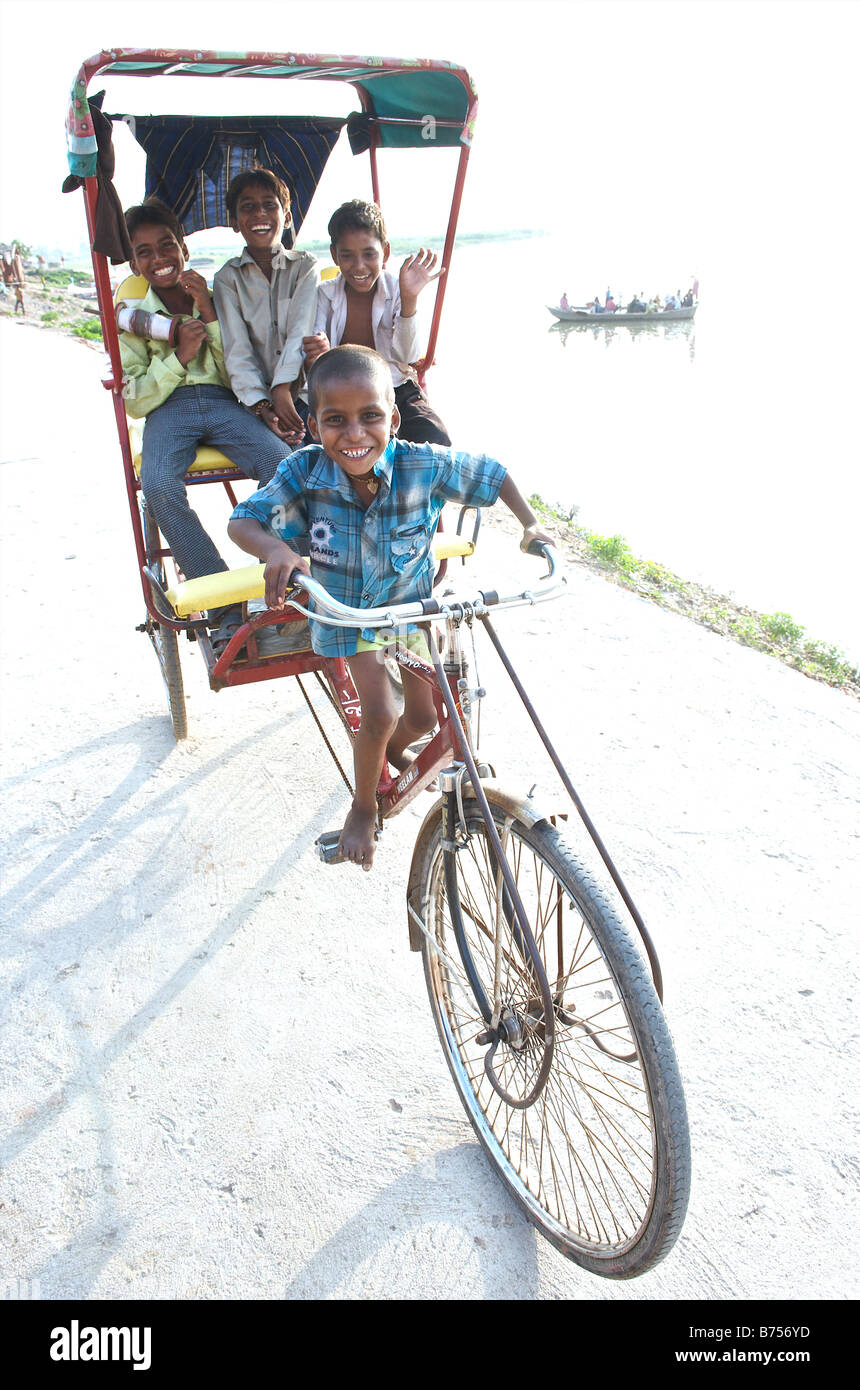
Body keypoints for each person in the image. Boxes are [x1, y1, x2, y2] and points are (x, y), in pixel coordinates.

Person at [227, 345, 554, 870]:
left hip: (413, 608)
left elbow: (493, 474)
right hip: (348, 615)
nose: (354, 434)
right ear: (314, 424)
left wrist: (530, 524)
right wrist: (278, 550)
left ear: (394, 418)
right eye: (335, 420)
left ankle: (393, 754)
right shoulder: (304, 472)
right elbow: (243, 519)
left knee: (431, 710)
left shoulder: (422, 464)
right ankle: (362, 806)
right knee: (378, 713)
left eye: (370, 417)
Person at [119, 198, 290, 651]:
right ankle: (222, 600)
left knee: (284, 463)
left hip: (222, 402)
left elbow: (236, 365)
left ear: (184, 249)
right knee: (157, 486)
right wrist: (178, 358)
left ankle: (282, 575)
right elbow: (135, 398)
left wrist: (208, 314)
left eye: (167, 246)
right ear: (135, 262)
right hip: (168, 409)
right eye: (145, 252)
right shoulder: (133, 313)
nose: (159, 259)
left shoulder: (210, 293)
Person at [301, 199, 451, 446]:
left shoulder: (398, 289)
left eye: (369, 254)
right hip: (340, 393)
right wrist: (318, 356)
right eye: (347, 256)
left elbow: (408, 355)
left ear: (385, 252)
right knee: (315, 448)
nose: (359, 266)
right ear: (334, 255)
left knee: (435, 438)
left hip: (395, 388)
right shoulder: (324, 295)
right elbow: (313, 364)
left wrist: (409, 300)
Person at [213, 167, 320, 449]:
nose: (259, 213)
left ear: (286, 217)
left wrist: (283, 386)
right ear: (235, 222)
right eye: (248, 207)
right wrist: (263, 406)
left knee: (330, 459)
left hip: (306, 394)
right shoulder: (227, 279)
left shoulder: (305, 267)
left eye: (269, 205)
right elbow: (237, 350)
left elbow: (301, 329)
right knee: (282, 461)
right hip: (255, 401)